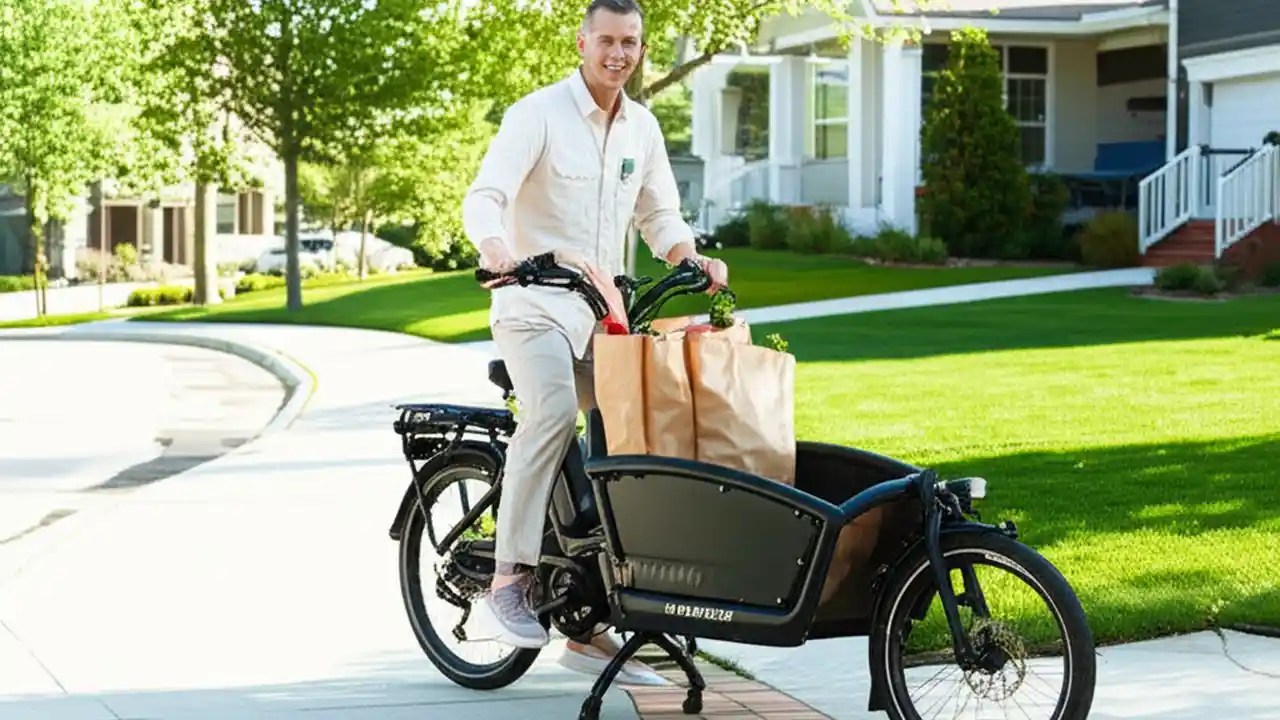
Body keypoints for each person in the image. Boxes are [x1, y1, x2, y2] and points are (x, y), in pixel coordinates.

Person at [459, 0, 729, 687]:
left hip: (601, 317)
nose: (618, 53)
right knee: (551, 411)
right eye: (606, 40)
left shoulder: (642, 125)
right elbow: (486, 193)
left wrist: (685, 255)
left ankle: (592, 619)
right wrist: (494, 246)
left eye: (630, 42)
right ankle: (509, 577)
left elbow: (658, 211)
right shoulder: (537, 114)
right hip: (531, 308)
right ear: (582, 43)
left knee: (643, 433)